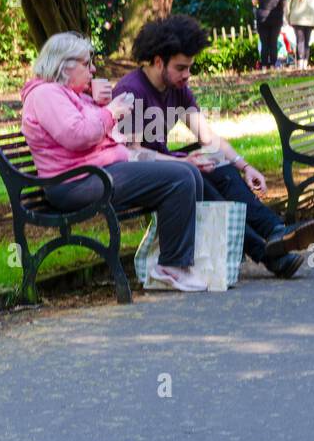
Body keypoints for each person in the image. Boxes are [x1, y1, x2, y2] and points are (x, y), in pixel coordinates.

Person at [113, 15, 314, 278]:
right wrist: (182, 163)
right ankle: (267, 253)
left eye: (189, 67)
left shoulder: (177, 89)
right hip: (136, 178)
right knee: (199, 179)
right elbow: (131, 154)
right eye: (181, 68)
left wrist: (244, 166)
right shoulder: (131, 92)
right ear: (159, 62)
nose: (187, 75)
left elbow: (208, 137)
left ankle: (275, 230)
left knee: (218, 165)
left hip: (169, 169)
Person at [20, 32, 208, 293]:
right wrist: (110, 112)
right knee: (180, 178)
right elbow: (77, 135)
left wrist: (101, 105)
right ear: (64, 65)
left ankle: (176, 262)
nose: (93, 69)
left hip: (97, 174)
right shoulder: (46, 95)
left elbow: (102, 132)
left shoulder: (70, 95)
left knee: (187, 171)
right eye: (87, 64)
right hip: (75, 184)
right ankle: (170, 267)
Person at [252, 0, 286, 69]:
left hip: (262, 19)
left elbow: (254, 2)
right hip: (276, 19)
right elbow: (284, 4)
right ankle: (272, 65)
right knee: (273, 42)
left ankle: (264, 66)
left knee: (264, 43)